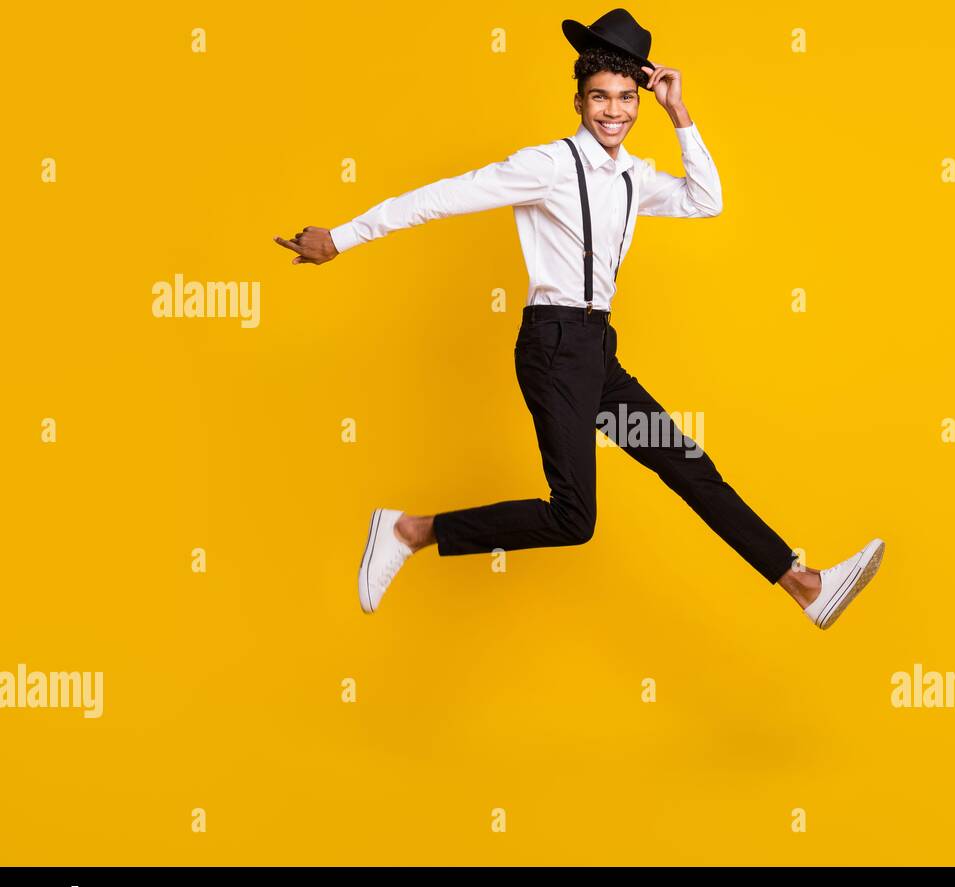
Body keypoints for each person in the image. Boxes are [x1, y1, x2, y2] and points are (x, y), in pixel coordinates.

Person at [274, 8, 884, 630]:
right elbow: (439, 198)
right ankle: (409, 530)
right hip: (554, 345)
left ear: (638, 102)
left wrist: (679, 111)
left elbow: (706, 200)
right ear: (578, 101)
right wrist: (343, 238)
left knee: (687, 464)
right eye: (600, 97)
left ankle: (802, 583)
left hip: (596, 353)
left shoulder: (631, 176)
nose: (613, 110)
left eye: (625, 97)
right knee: (574, 518)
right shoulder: (546, 166)